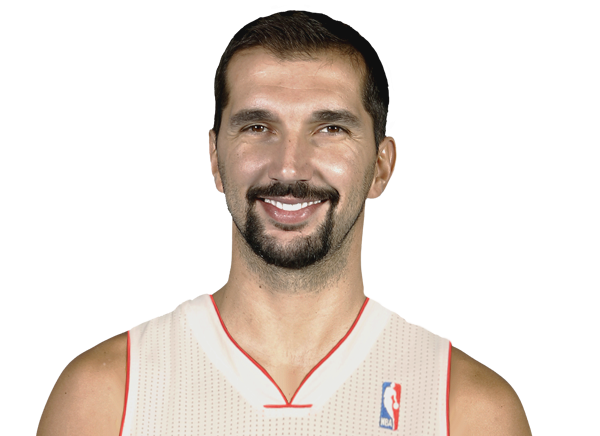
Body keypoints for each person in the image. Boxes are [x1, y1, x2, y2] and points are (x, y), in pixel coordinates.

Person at [38, 10, 531, 436]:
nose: (290, 167)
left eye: (330, 128)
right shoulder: (104, 399)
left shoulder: (469, 411)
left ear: (381, 167)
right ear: (214, 159)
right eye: (258, 127)